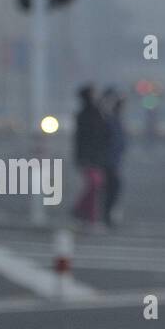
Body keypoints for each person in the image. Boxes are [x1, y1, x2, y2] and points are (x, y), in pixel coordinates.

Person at [72, 84, 108, 227]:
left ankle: (81, 211)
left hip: (93, 156)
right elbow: (83, 139)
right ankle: (86, 214)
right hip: (90, 157)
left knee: (94, 185)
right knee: (94, 185)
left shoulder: (93, 112)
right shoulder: (87, 114)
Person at [101, 88, 128, 227]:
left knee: (112, 188)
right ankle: (105, 216)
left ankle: (106, 215)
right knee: (112, 188)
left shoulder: (114, 119)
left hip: (113, 160)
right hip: (108, 160)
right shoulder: (109, 120)